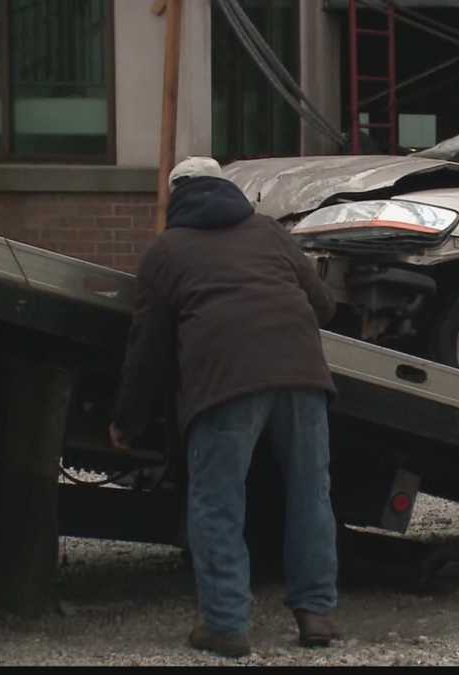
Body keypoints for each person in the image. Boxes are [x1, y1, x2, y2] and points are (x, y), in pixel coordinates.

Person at [110, 156, 340, 658]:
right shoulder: (270, 232)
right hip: (301, 374)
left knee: (218, 503)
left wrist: (128, 421)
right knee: (310, 495)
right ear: (226, 188)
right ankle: (316, 613)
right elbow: (324, 305)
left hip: (224, 383)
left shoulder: (166, 251)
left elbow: (146, 347)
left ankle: (225, 625)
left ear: (177, 196)